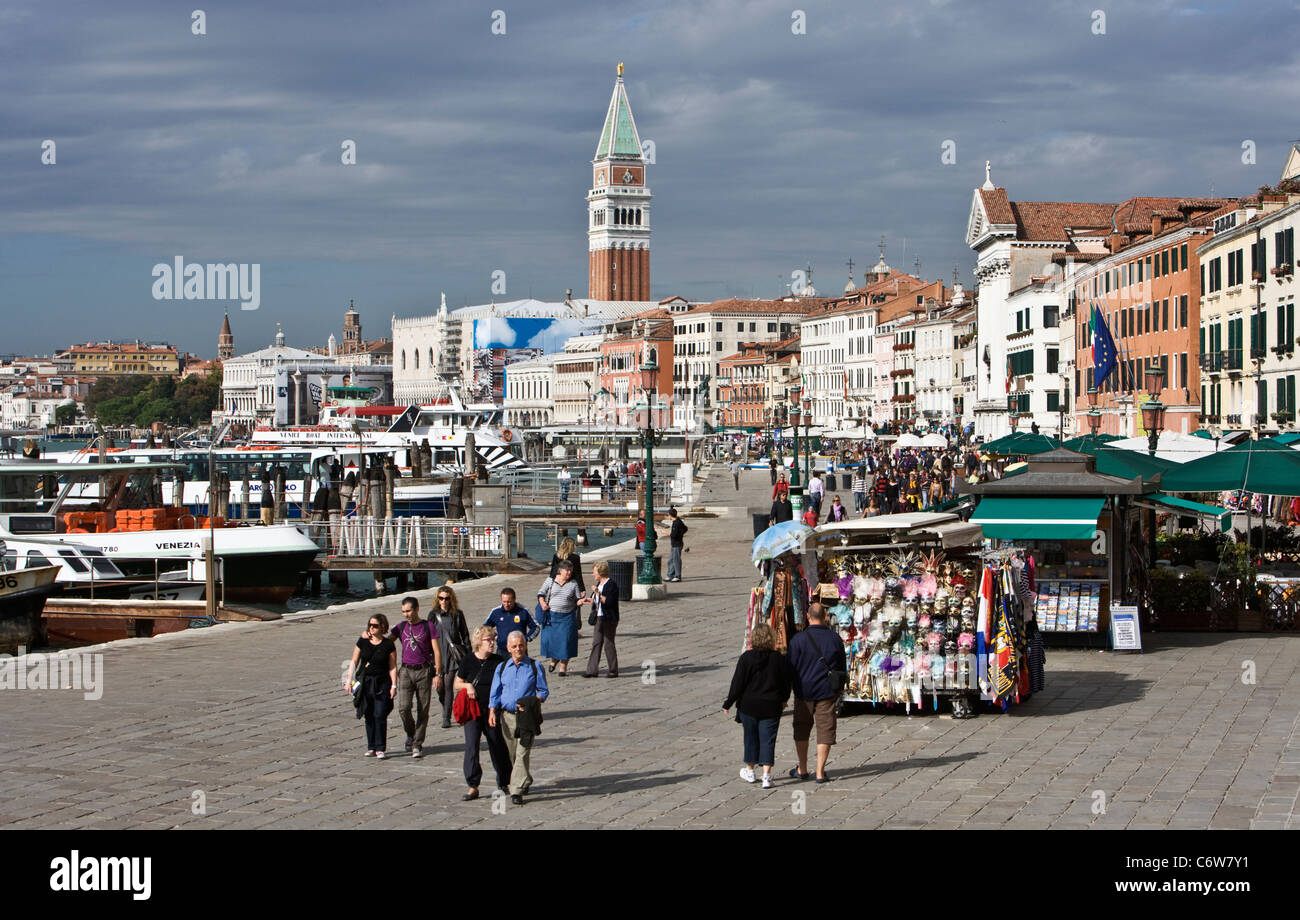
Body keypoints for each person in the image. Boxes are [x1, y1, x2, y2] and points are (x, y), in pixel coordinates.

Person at [723, 623, 794, 789]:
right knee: (768, 740)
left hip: (749, 706)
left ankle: (750, 770)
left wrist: (728, 703)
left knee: (750, 738)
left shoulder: (746, 658)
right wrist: (784, 699)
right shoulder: (778, 658)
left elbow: (737, 684)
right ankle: (766, 776)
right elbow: (786, 683)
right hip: (771, 706)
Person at [787, 602, 846, 783]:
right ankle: (820, 771)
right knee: (825, 729)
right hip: (826, 691)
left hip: (803, 692)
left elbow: (790, 668)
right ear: (825, 617)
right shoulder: (835, 638)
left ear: (807, 616)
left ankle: (802, 768)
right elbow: (842, 666)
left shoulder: (798, 639)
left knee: (801, 728)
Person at [488, 632, 550, 805]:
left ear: (526, 646)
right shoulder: (501, 668)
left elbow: (543, 692)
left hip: (526, 717)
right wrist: (492, 711)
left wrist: (532, 701)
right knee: (513, 754)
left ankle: (515, 789)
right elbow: (495, 693)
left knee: (522, 752)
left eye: (521, 645)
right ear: (508, 648)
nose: (518, 649)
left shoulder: (535, 666)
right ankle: (525, 779)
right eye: (514, 646)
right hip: (506, 717)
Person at [454, 626, 512, 800]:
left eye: (493, 638)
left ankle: (504, 780)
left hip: (492, 710)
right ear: (479, 641)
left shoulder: (498, 661)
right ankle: (473, 785)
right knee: (472, 746)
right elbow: (457, 683)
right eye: (489, 640)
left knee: (497, 745)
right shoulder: (468, 661)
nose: (493, 642)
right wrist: (468, 685)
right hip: (473, 711)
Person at [389, 596, 443, 759]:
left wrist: (438, 673)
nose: (406, 614)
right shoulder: (401, 627)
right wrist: (369, 636)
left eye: (408, 611)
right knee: (403, 708)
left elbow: (437, 652)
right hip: (405, 671)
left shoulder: (428, 626)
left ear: (417, 609)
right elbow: (385, 642)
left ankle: (417, 744)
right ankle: (411, 734)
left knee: (423, 709)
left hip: (424, 671)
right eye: (403, 611)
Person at [345, 613, 397, 757]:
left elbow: (393, 666)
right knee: (368, 714)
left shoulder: (388, 645)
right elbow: (354, 661)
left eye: (375, 625)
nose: (371, 628)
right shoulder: (363, 641)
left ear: (382, 627)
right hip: (365, 682)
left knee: (380, 714)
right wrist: (349, 680)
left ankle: (380, 747)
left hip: (382, 683)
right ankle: (371, 746)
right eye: (370, 625)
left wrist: (394, 686)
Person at [433, 586, 471, 730]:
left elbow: (465, 634)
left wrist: (468, 653)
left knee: (448, 685)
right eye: (441, 598)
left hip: (453, 655)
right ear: (437, 599)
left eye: (447, 598)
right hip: (438, 654)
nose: (444, 601)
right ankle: (448, 706)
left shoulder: (457, 614)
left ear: (451, 599)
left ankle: (446, 717)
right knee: (440, 688)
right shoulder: (433, 615)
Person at [537, 562, 582, 674]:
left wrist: (581, 601)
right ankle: (554, 660)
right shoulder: (550, 580)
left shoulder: (573, 583)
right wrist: (542, 603)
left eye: (570, 570)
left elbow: (577, 599)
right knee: (552, 642)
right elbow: (541, 593)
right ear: (560, 571)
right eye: (567, 570)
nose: (569, 572)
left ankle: (563, 667)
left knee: (566, 642)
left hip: (567, 616)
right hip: (552, 616)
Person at [579, 560, 619, 678]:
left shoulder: (611, 585)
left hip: (609, 618)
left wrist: (598, 593)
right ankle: (592, 670)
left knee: (608, 643)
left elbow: (609, 602)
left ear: (601, 573)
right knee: (596, 642)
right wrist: (588, 600)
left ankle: (613, 670)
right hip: (599, 618)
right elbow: (596, 600)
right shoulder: (599, 585)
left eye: (595, 572)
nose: (593, 574)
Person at [486, 587, 539, 657]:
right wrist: (494, 635)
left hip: (519, 651)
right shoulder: (496, 612)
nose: (506, 604)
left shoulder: (523, 611)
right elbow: (485, 627)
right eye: (504, 602)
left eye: (509, 602)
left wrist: (526, 638)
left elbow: (536, 627)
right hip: (502, 651)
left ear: (514, 599)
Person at [659, 507, 688, 582]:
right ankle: (670, 575)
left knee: (676, 560)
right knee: (671, 560)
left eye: (668, 515)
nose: (668, 516)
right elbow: (685, 528)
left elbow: (673, 535)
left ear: (670, 515)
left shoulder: (676, 523)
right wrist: (680, 534)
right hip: (675, 544)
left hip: (677, 544)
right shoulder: (679, 521)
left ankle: (677, 576)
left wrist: (665, 532)